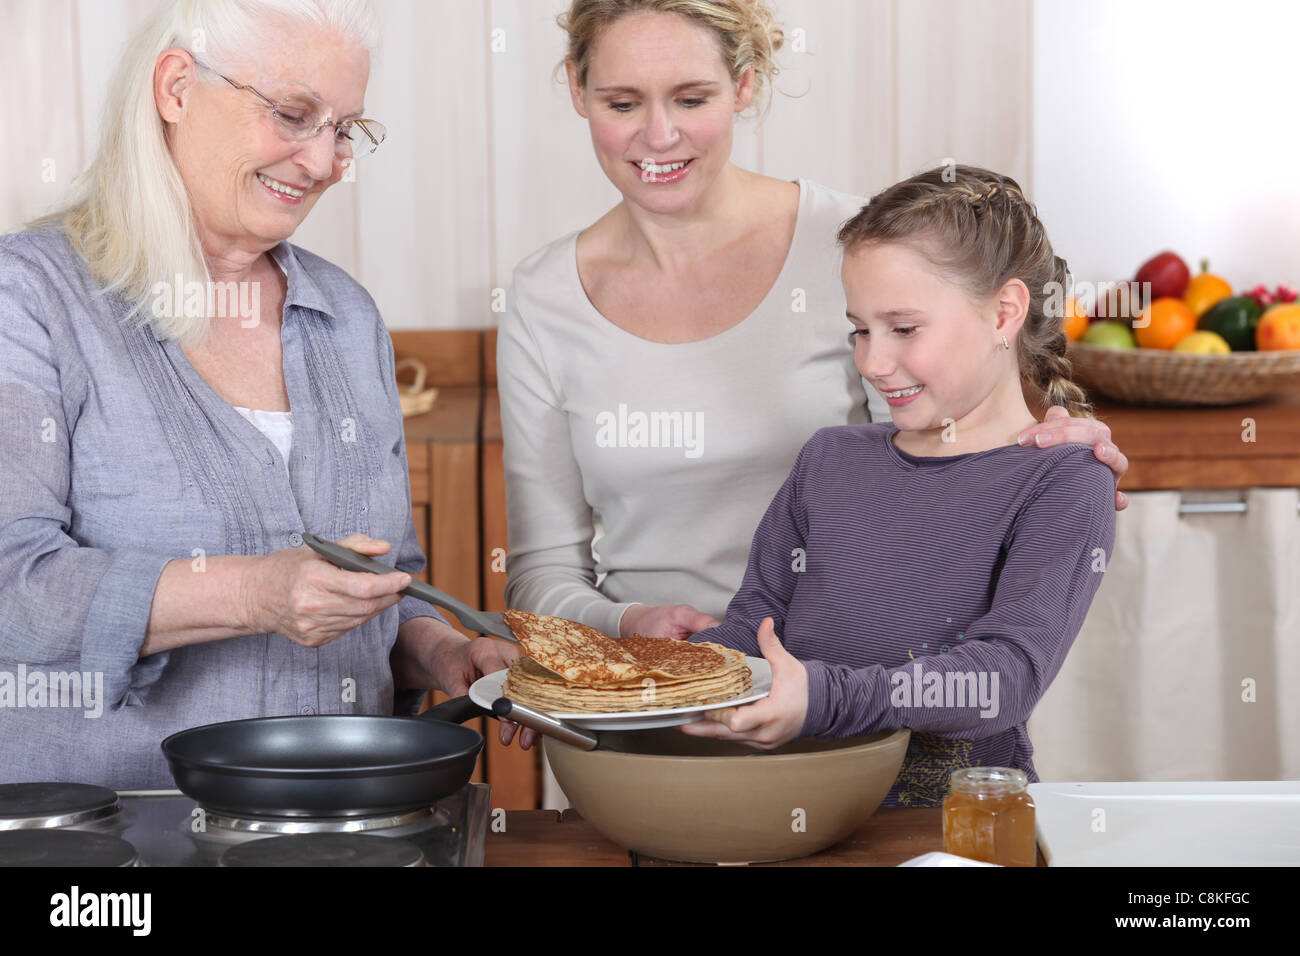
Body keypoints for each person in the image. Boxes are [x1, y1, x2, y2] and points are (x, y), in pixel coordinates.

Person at [497, 0, 1130, 660]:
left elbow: (952, 461)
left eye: (691, 99)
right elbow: (543, 574)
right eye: (622, 103)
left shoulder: (856, 250)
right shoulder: (545, 297)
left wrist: (1045, 444)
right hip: (646, 695)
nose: (659, 136)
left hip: (860, 701)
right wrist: (628, 623)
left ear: (743, 85)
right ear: (577, 87)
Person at [0, 0, 526, 789]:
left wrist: (442, 649)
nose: (323, 163)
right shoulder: (32, 299)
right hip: (118, 832)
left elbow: (389, 579)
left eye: (344, 129)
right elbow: (16, 585)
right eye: (293, 114)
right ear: (177, 88)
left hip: (349, 818)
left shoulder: (345, 317)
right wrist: (254, 592)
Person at [678, 165, 1116, 807]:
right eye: (860, 329)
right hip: (789, 813)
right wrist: (652, 680)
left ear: (1005, 312)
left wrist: (824, 700)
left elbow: (1003, 677)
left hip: (951, 826)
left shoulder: (1064, 479)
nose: (872, 362)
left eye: (904, 329)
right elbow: (752, 628)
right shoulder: (827, 459)